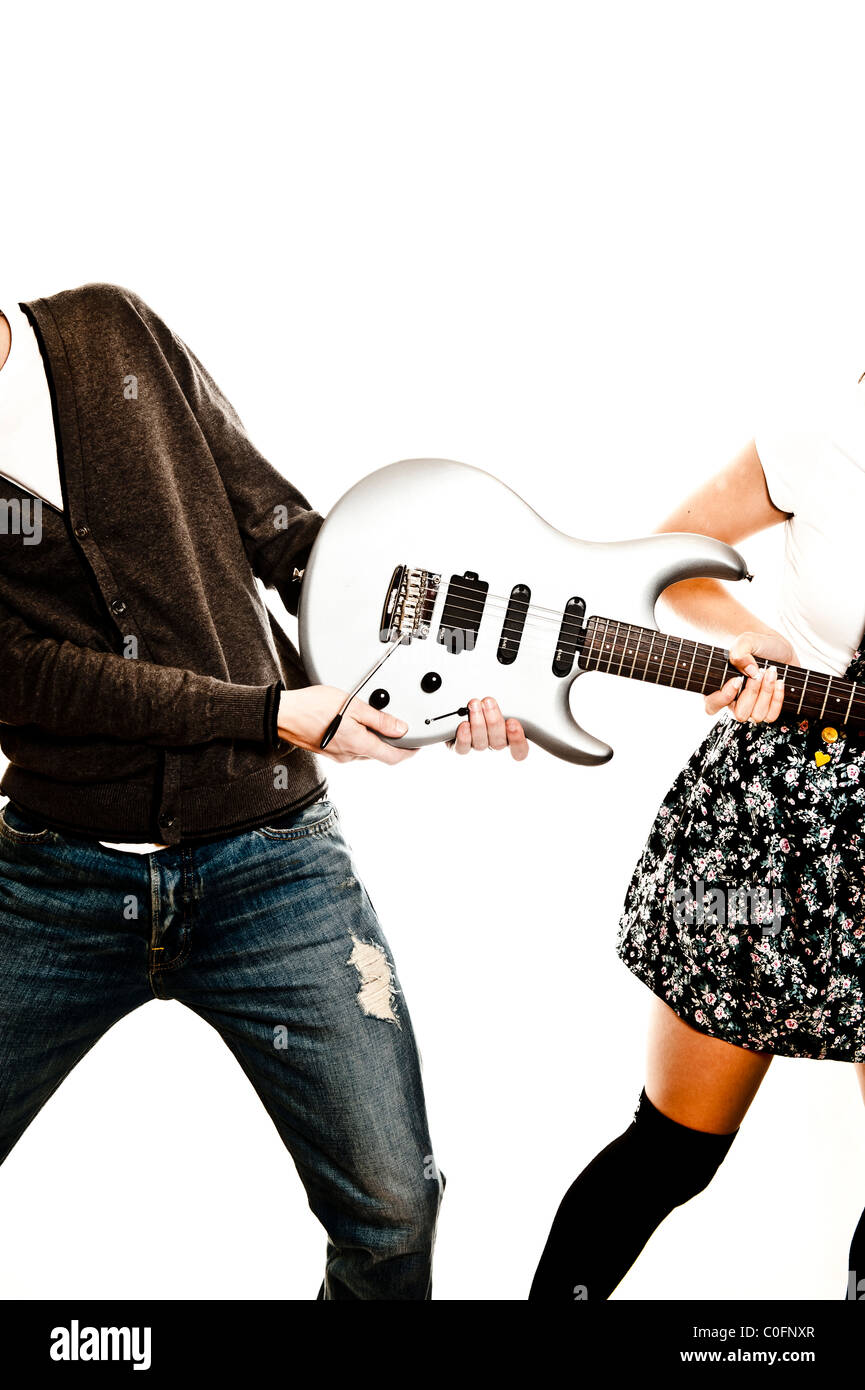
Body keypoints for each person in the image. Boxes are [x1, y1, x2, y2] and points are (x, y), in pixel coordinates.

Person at [0, 282, 528, 1302]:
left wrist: (437, 676)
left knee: (391, 1211)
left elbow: (282, 530)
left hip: (272, 862)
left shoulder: (111, 329)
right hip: (53, 879)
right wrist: (269, 712)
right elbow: (33, 678)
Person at [529, 392, 865, 1301]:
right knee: (672, 1152)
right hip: (766, 829)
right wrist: (749, 636)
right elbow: (670, 559)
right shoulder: (830, 436)